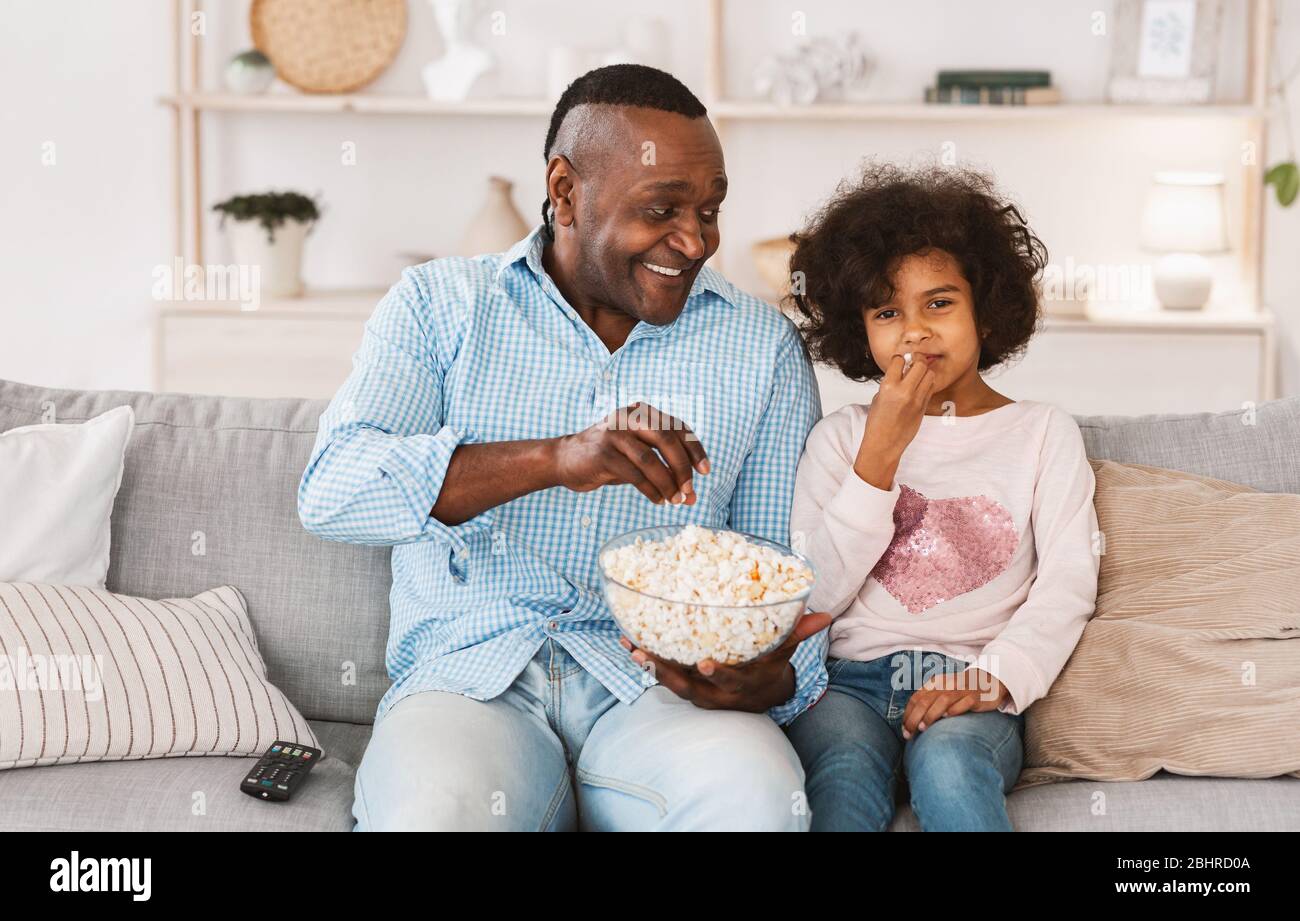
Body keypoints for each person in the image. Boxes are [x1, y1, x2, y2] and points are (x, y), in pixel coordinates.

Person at [298, 64, 828, 831]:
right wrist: (557, 458)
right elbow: (334, 490)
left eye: (710, 210)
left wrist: (769, 677)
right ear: (566, 190)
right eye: (662, 209)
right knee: (430, 812)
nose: (695, 240)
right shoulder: (441, 305)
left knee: (754, 794)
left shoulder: (761, 347)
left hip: (658, 693)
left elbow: (782, 572)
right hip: (471, 679)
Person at [784, 163, 1101, 831]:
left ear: (986, 309)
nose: (915, 331)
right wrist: (879, 459)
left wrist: (998, 675)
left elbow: (1069, 581)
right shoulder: (840, 439)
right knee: (840, 777)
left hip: (972, 678)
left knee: (952, 768)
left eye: (939, 303)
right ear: (859, 329)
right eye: (887, 311)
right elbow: (813, 597)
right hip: (851, 687)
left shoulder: (1042, 433)